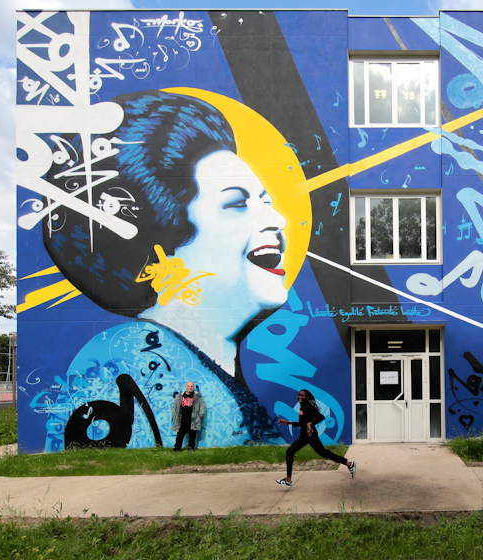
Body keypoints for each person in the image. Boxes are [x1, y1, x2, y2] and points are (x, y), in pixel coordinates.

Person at [42, 90, 286, 450]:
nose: (276, 219)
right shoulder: (123, 363)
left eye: (266, 201)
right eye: (237, 203)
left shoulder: (215, 368)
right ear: (158, 247)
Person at [275, 389, 356, 488]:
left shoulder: (307, 407)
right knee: (323, 453)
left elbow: (321, 416)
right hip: (309, 434)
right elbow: (302, 423)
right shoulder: (303, 407)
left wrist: (311, 423)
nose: (300, 397)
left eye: (302, 396)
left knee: (290, 452)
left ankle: (288, 480)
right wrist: (289, 422)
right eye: (299, 395)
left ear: (307, 397)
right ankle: (349, 463)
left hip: (307, 434)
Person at [171, 381, 205, 451]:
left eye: (191, 386)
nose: (190, 387)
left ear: (193, 387)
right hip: (182, 419)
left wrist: (200, 415)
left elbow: (202, 405)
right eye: (189, 386)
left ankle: (191, 448)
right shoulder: (180, 396)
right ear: (186, 387)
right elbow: (174, 406)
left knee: (192, 435)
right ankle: (177, 449)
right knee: (180, 435)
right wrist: (174, 415)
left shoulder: (198, 396)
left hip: (193, 419)